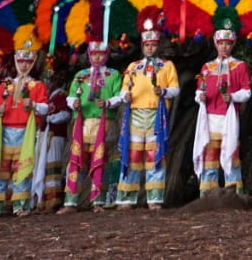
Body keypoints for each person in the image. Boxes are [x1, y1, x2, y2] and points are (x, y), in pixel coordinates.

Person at [0, 32, 50, 217]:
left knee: (23, 169)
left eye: (27, 62)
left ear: (33, 62)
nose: (24, 65)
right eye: (21, 62)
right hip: (5, 131)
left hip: (25, 133)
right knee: (0, 168)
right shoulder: (6, 85)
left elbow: (45, 109)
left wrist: (33, 105)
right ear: (16, 61)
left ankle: (21, 205)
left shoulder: (37, 86)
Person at [116, 13, 179, 209]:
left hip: (156, 115)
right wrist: (124, 96)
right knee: (132, 155)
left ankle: (154, 199)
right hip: (135, 114)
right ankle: (126, 198)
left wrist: (164, 91)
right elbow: (124, 89)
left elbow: (175, 89)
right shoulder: (133, 67)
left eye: (153, 45)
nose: (150, 48)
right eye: (147, 45)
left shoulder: (167, 66)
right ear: (142, 47)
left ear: (157, 46)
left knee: (155, 156)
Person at [192, 7, 251, 197]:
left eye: (227, 43)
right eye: (221, 43)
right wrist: (199, 96)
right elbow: (199, 90)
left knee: (231, 153)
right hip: (209, 118)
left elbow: (247, 92)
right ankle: (207, 195)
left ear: (233, 44)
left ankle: (233, 195)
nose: (224, 46)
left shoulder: (239, 66)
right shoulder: (207, 67)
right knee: (210, 155)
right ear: (215, 43)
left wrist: (232, 97)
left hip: (228, 118)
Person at [60, 40, 123, 213]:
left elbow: (121, 96)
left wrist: (108, 102)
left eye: (100, 54)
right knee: (77, 160)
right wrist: (74, 104)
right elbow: (71, 96)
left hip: (105, 122)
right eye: (93, 54)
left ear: (106, 55)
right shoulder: (81, 75)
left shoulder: (113, 74)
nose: (96, 57)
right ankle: (70, 201)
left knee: (102, 161)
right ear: (89, 54)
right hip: (83, 123)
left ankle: (99, 201)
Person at [37, 71, 73, 211]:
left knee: (53, 165)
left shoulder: (61, 95)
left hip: (55, 134)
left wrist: (49, 119)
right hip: (44, 134)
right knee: (43, 166)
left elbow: (65, 115)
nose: (48, 83)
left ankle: (54, 199)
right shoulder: (47, 97)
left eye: (50, 80)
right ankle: (42, 200)